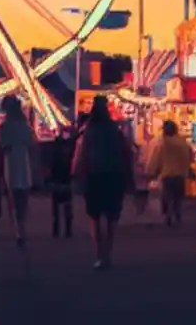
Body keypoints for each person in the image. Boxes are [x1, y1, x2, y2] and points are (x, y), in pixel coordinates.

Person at [71, 98, 133, 269]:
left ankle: (100, 254)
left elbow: (81, 154)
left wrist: (77, 173)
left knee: (95, 216)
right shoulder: (115, 130)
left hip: (95, 175)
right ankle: (109, 252)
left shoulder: (89, 131)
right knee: (112, 216)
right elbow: (126, 152)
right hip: (114, 174)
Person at [0, 96, 37, 246]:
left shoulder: (4, 127)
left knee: (13, 198)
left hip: (11, 163)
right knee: (23, 198)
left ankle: (17, 229)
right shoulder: (25, 126)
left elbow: (3, 146)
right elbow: (32, 144)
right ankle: (22, 225)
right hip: (24, 162)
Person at [147, 120, 194, 227]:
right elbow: (189, 157)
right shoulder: (183, 143)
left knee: (167, 195)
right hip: (180, 174)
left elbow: (157, 158)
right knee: (178, 196)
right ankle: (177, 214)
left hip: (167, 174)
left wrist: (152, 170)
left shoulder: (162, 143)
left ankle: (168, 214)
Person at [46, 128, 75, 238]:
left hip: (57, 179)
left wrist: (50, 179)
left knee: (56, 206)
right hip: (65, 179)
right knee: (67, 204)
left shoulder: (55, 152)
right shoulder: (69, 152)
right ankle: (67, 229)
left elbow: (52, 166)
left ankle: (56, 229)